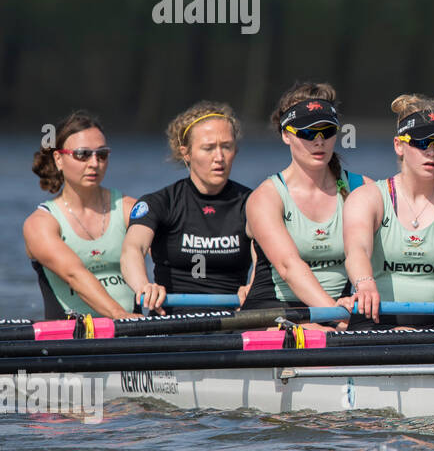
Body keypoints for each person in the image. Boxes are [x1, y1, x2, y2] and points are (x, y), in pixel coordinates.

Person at [343, 95, 434, 331]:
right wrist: (365, 282)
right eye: (422, 142)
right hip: (375, 317)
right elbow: (356, 250)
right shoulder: (367, 198)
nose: (431, 152)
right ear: (398, 145)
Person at [242, 82, 367, 321]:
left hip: (339, 314)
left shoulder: (363, 190)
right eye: (308, 132)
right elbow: (289, 267)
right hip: (274, 310)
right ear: (286, 135)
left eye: (327, 131)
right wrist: (339, 317)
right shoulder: (265, 197)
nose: (319, 141)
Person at [121, 102, 252, 314]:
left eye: (226, 147)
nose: (219, 157)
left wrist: (253, 287)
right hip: (172, 319)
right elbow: (132, 250)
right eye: (208, 148)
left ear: (235, 150)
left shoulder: (252, 203)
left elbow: (267, 258)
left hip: (233, 321)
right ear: (186, 153)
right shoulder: (160, 202)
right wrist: (144, 286)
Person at [24, 110, 138, 319]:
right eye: (82, 154)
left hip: (133, 332)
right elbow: (74, 274)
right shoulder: (40, 223)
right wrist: (120, 316)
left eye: (102, 154)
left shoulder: (131, 209)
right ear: (58, 159)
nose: (95, 163)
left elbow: (170, 260)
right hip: (71, 340)